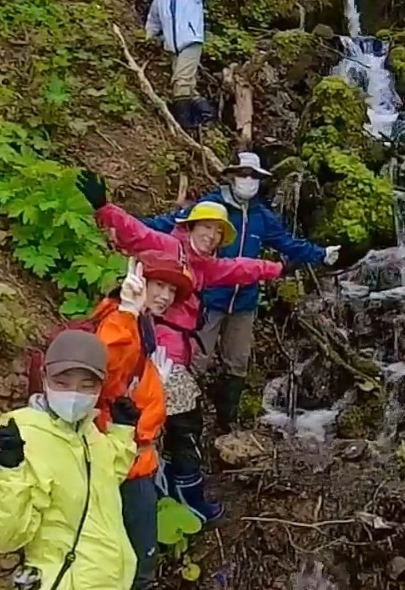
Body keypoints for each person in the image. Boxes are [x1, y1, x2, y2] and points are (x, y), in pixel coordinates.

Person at [77, 170, 287, 516]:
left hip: (170, 353)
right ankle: (179, 494)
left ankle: (170, 487)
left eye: (218, 231)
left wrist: (277, 268)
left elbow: (240, 268)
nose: (212, 235)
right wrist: (104, 208)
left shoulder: (205, 267)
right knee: (179, 422)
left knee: (177, 422)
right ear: (190, 226)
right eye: (206, 227)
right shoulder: (166, 247)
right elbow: (134, 233)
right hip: (149, 348)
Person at [141, 153, 339, 430]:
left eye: (254, 176)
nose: (248, 181)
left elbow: (286, 242)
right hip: (209, 299)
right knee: (195, 358)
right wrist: (134, 226)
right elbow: (171, 224)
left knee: (238, 362)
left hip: (244, 301)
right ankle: (178, 419)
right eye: (243, 174)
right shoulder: (211, 206)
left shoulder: (262, 216)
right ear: (232, 176)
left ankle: (227, 422)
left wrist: (320, 254)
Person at [0, 330, 147, 590]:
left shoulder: (86, 431)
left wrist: (122, 432)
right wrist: (9, 471)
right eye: (62, 383)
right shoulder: (24, 438)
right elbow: (4, 537)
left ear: (100, 387)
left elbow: (105, 478)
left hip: (118, 588)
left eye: (86, 385)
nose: (73, 394)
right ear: (44, 379)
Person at [84, 267, 169, 590]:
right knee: (135, 558)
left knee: (136, 553)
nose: (165, 295)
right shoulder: (122, 322)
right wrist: (127, 311)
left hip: (136, 455)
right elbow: (105, 371)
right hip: (123, 460)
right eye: (158, 285)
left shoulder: (141, 325)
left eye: (171, 290)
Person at [145, 0, 233, 130]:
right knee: (186, 85)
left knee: (181, 82)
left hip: (190, 43)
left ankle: (183, 123)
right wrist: (148, 37)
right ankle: (206, 114)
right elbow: (154, 18)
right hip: (173, 47)